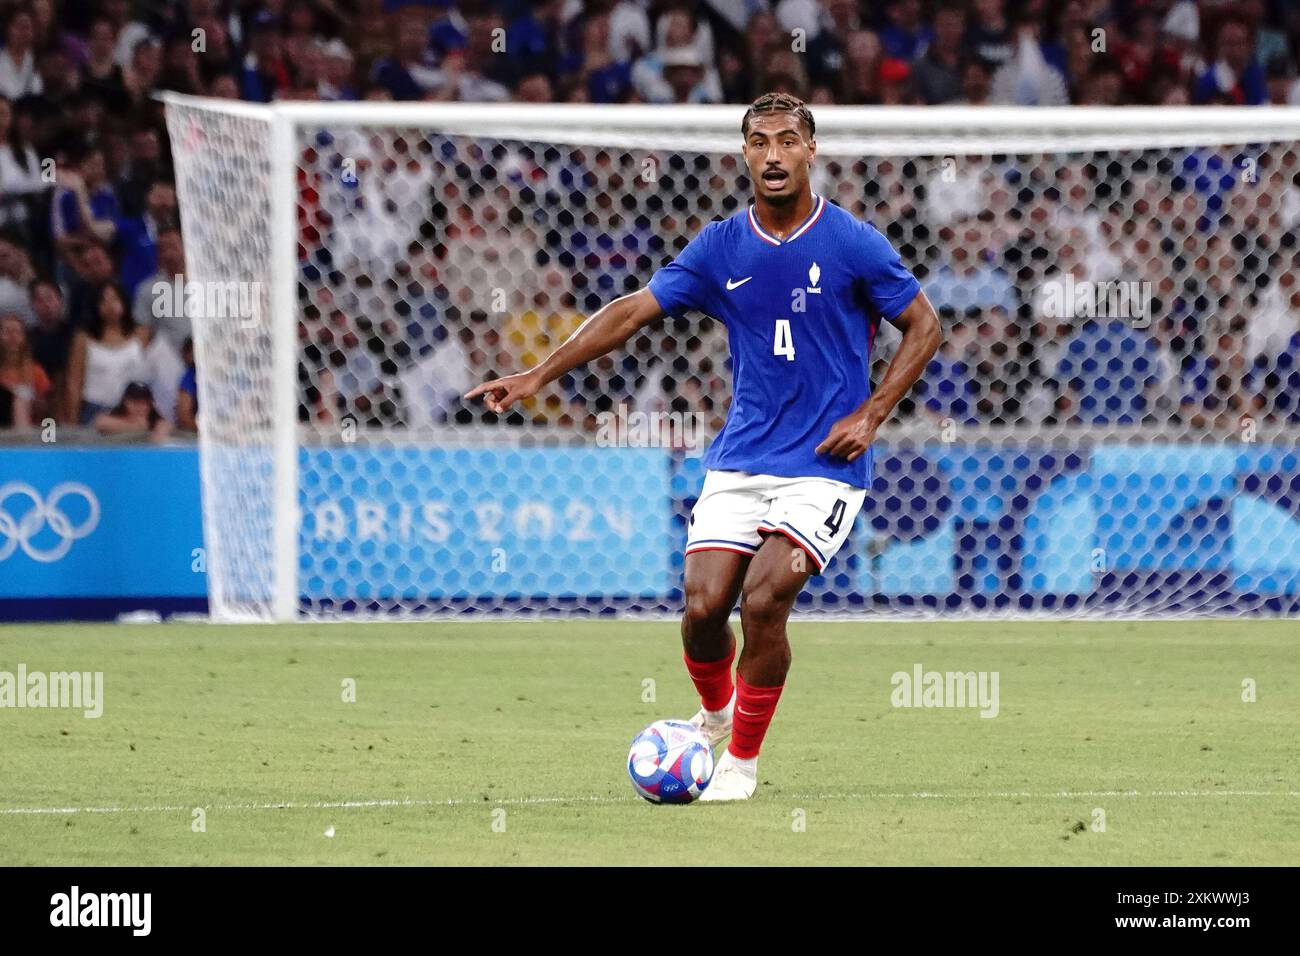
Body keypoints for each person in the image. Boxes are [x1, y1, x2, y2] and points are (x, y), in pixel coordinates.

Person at [466, 93, 940, 801]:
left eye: (786, 141)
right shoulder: (722, 246)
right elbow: (631, 312)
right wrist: (539, 373)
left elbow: (924, 325)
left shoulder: (852, 242)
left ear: (811, 150)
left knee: (765, 599)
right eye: (759, 142)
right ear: (744, 153)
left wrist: (872, 415)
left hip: (824, 467)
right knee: (701, 608)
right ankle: (714, 718)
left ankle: (741, 766)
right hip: (743, 455)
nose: (772, 155)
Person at [94, 379, 171, 441]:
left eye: (145, 403)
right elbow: (101, 422)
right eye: (135, 402)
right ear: (125, 402)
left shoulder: (155, 419)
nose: (140, 407)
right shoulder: (117, 413)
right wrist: (136, 426)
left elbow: (163, 428)